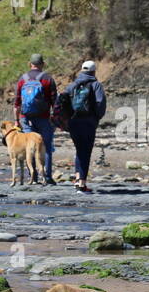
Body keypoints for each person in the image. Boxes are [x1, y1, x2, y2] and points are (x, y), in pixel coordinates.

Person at [60, 60, 106, 193]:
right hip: (88, 122)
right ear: (94, 71)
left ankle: (77, 178)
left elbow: (62, 100)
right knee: (86, 151)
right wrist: (96, 117)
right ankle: (82, 183)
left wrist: (65, 120)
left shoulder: (72, 85)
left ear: (81, 70)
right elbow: (100, 103)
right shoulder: (95, 84)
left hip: (73, 122)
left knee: (79, 150)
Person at [14, 53, 58, 185]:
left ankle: (33, 177)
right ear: (42, 64)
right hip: (44, 118)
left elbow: (17, 103)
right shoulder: (47, 79)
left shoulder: (23, 79)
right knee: (47, 146)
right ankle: (48, 176)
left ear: (30, 64)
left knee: (30, 147)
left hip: (26, 118)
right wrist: (55, 119)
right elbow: (55, 102)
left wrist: (16, 120)